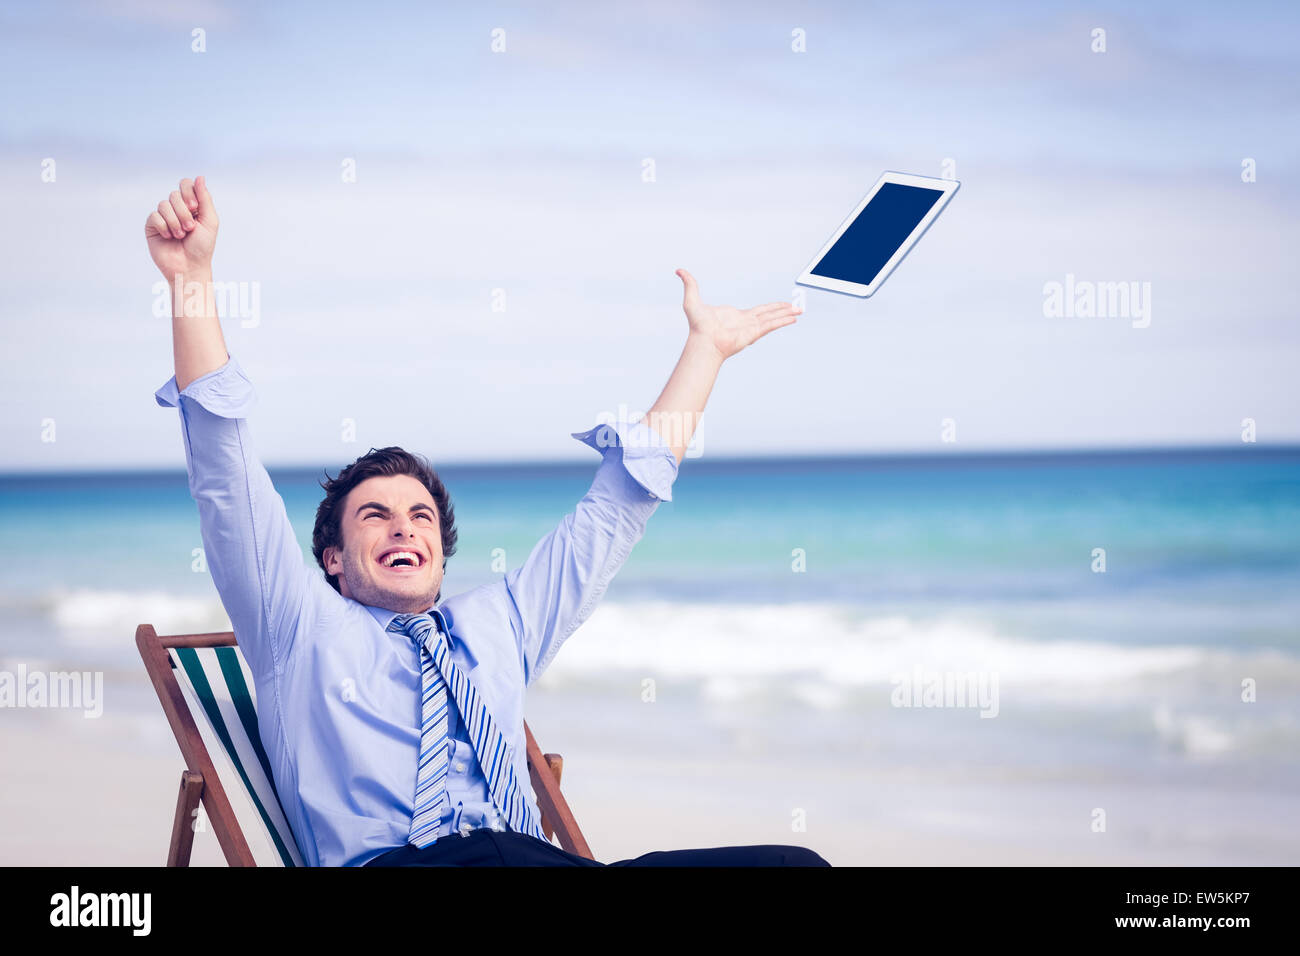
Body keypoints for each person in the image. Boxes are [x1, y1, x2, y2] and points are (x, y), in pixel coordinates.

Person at [146, 176, 827, 867]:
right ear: (332, 560)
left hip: (533, 861)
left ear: (442, 554)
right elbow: (225, 474)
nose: (404, 528)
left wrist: (705, 350)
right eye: (375, 516)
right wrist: (192, 278)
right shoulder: (295, 626)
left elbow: (616, 509)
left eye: (419, 517)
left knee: (793, 867)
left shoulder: (498, 624)